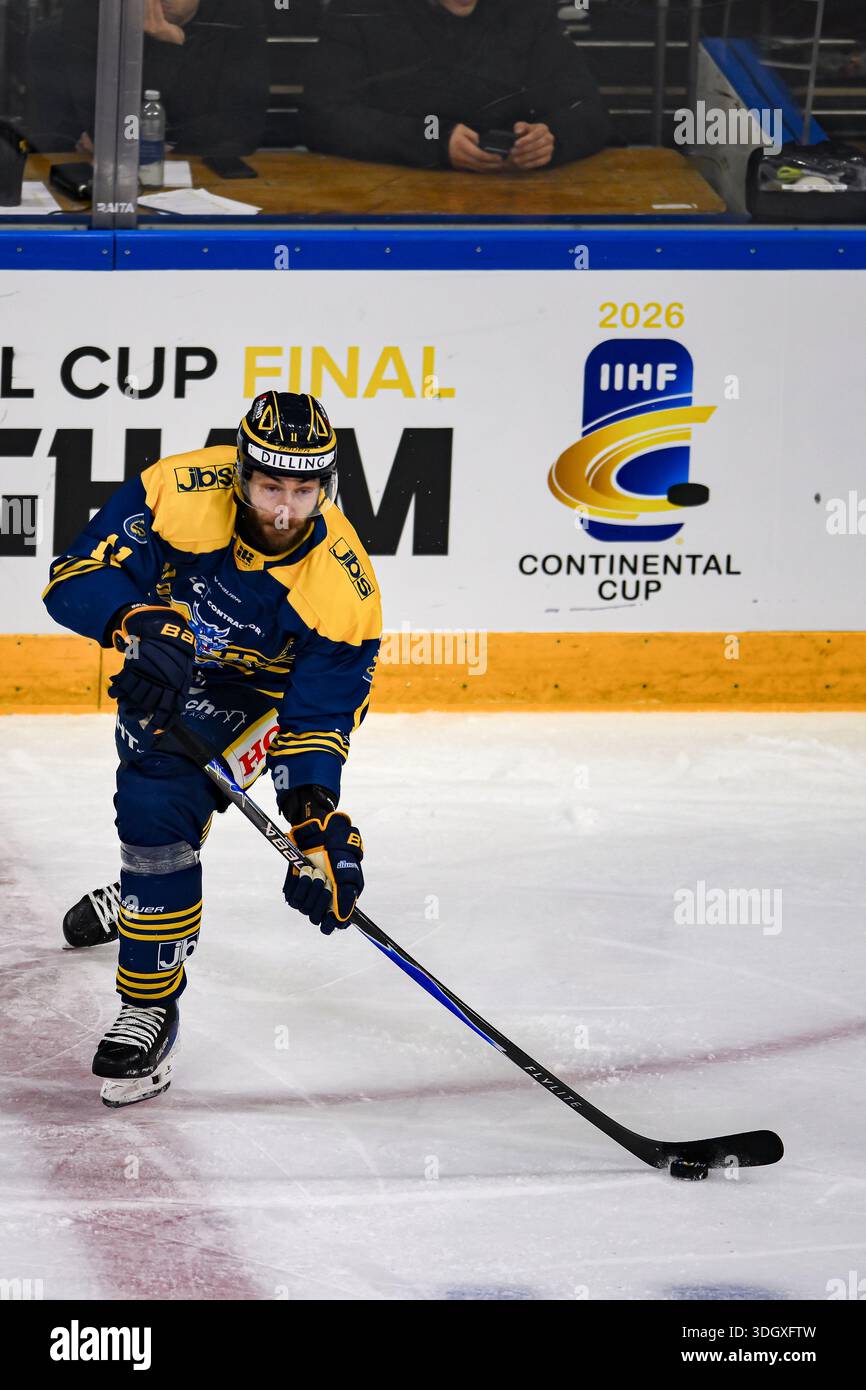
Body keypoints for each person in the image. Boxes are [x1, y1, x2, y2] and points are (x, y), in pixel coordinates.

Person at [43, 392, 382, 1107]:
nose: (285, 510)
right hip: (170, 661)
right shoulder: (176, 491)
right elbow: (72, 577)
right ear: (240, 476)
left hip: (265, 696)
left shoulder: (343, 587)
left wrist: (314, 819)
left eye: (303, 490)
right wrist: (137, 619)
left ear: (327, 486)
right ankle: (148, 892)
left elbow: (318, 719)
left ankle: (149, 1001)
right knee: (156, 799)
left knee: (159, 795)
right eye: (270, 486)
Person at [304, 0, 608, 172]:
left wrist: (549, 139)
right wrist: (432, 143)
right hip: (389, 207)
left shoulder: (526, 10)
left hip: (514, 203)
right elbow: (322, 115)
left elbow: (588, 109)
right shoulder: (361, 8)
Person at [25, 0, 268, 156]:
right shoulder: (79, 23)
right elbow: (54, 136)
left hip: (203, 181)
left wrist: (172, 44)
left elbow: (243, 130)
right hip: (93, 181)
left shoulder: (237, 18)